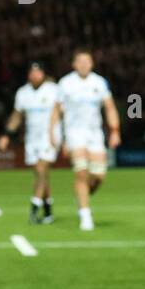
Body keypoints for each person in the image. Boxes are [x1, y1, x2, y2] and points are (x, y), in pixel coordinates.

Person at [51, 48, 120, 231]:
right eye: (80, 61)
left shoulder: (99, 82)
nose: (83, 64)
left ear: (92, 63)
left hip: (95, 134)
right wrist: (54, 134)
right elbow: (56, 110)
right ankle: (85, 215)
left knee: (98, 176)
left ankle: (82, 196)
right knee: (81, 173)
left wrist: (114, 131)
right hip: (75, 134)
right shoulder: (65, 83)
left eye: (86, 61)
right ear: (74, 64)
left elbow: (110, 107)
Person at [0, 61, 58, 224]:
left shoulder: (54, 91)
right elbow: (17, 116)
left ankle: (33, 211)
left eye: (38, 72)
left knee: (40, 170)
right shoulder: (23, 93)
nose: (35, 75)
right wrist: (6, 135)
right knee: (41, 175)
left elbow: (63, 111)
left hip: (50, 138)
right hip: (32, 140)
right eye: (32, 72)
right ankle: (48, 213)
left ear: (43, 74)